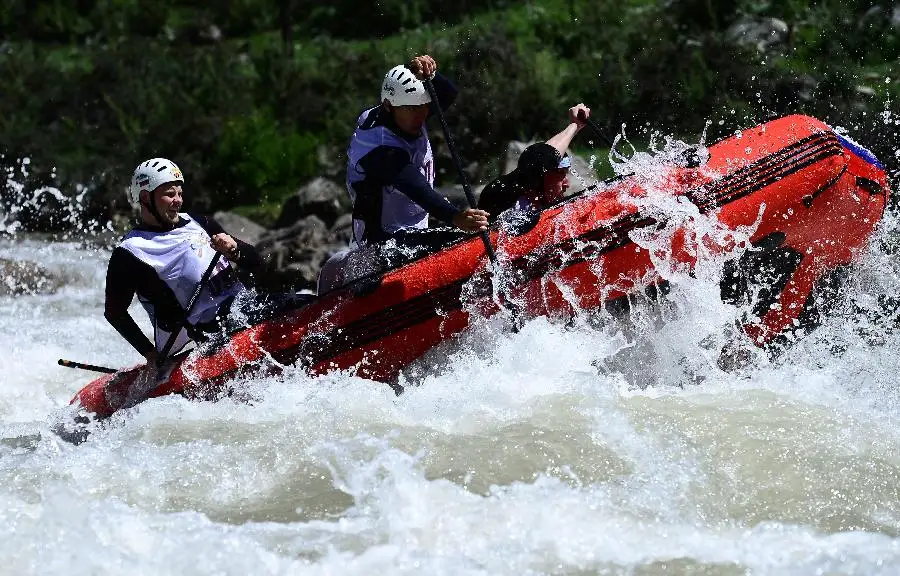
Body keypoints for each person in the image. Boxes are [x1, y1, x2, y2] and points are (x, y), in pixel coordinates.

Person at [318, 55, 490, 292]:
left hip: (411, 230)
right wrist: (455, 217)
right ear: (389, 106)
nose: (421, 115)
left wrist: (430, 74)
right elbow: (416, 187)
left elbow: (448, 95)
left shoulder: (405, 113)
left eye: (424, 107)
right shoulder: (378, 148)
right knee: (463, 241)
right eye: (412, 109)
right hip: (382, 243)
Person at [104, 158, 295, 371]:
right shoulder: (130, 253)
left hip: (245, 306)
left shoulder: (200, 223)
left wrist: (234, 251)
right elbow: (115, 313)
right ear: (145, 197)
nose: (177, 200)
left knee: (300, 301)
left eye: (180, 193)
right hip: (208, 329)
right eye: (169, 194)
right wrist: (150, 354)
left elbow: (256, 261)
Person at [478, 103, 592, 219]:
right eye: (561, 173)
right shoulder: (502, 193)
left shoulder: (547, 208)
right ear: (541, 175)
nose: (567, 183)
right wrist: (575, 125)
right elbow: (543, 157)